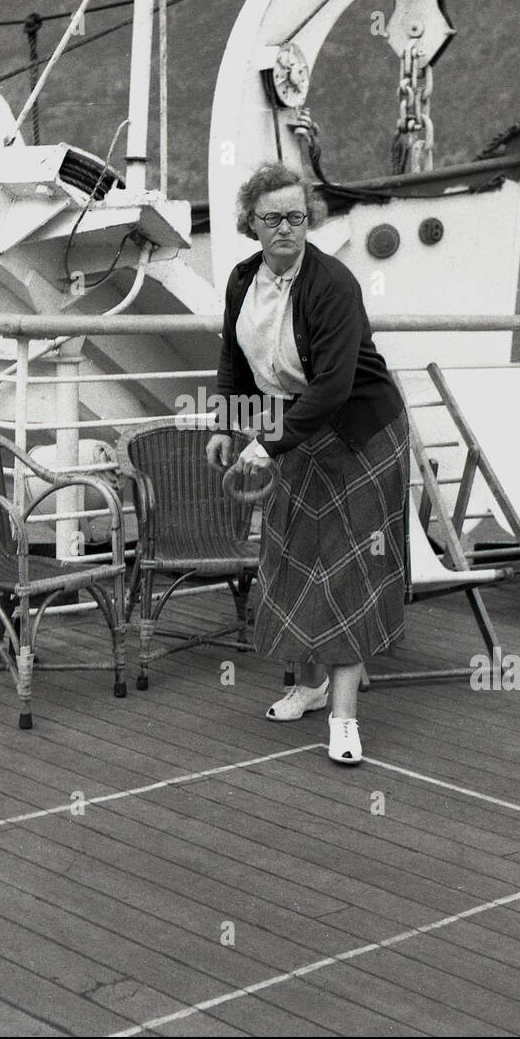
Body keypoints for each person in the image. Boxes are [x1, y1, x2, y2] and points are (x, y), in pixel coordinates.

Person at [207, 162, 410, 765]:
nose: (287, 229)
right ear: (252, 224)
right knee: (290, 554)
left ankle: (345, 719)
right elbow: (233, 361)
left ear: (309, 220)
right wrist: (226, 424)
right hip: (293, 430)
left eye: (298, 217)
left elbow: (334, 388)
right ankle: (310, 685)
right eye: (273, 218)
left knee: (348, 569)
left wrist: (265, 443)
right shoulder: (243, 280)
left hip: (358, 433)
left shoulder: (333, 284)